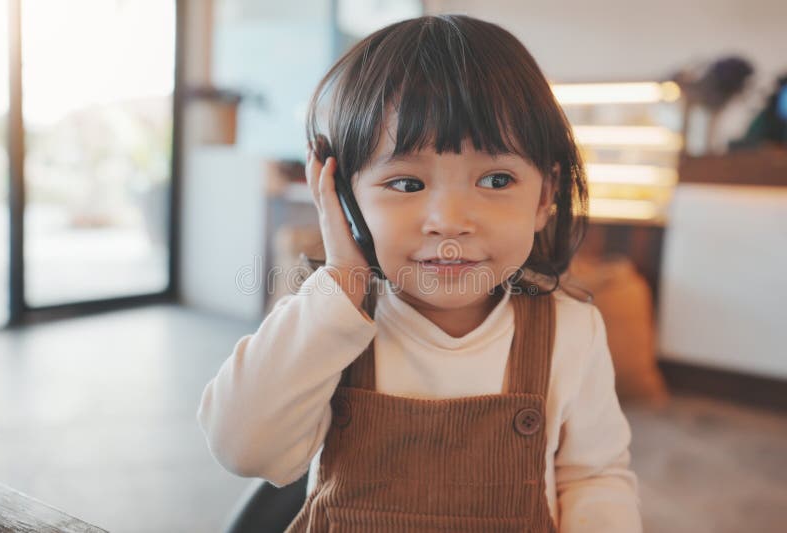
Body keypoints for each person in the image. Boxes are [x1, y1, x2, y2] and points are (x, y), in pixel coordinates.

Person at [198, 14, 642, 532]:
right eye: (407, 184)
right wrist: (342, 279)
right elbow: (244, 448)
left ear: (544, 197)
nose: (450, 221)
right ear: (343, 201)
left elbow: (595, 478)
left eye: (496, 179)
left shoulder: (573, 332)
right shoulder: (325, 324)